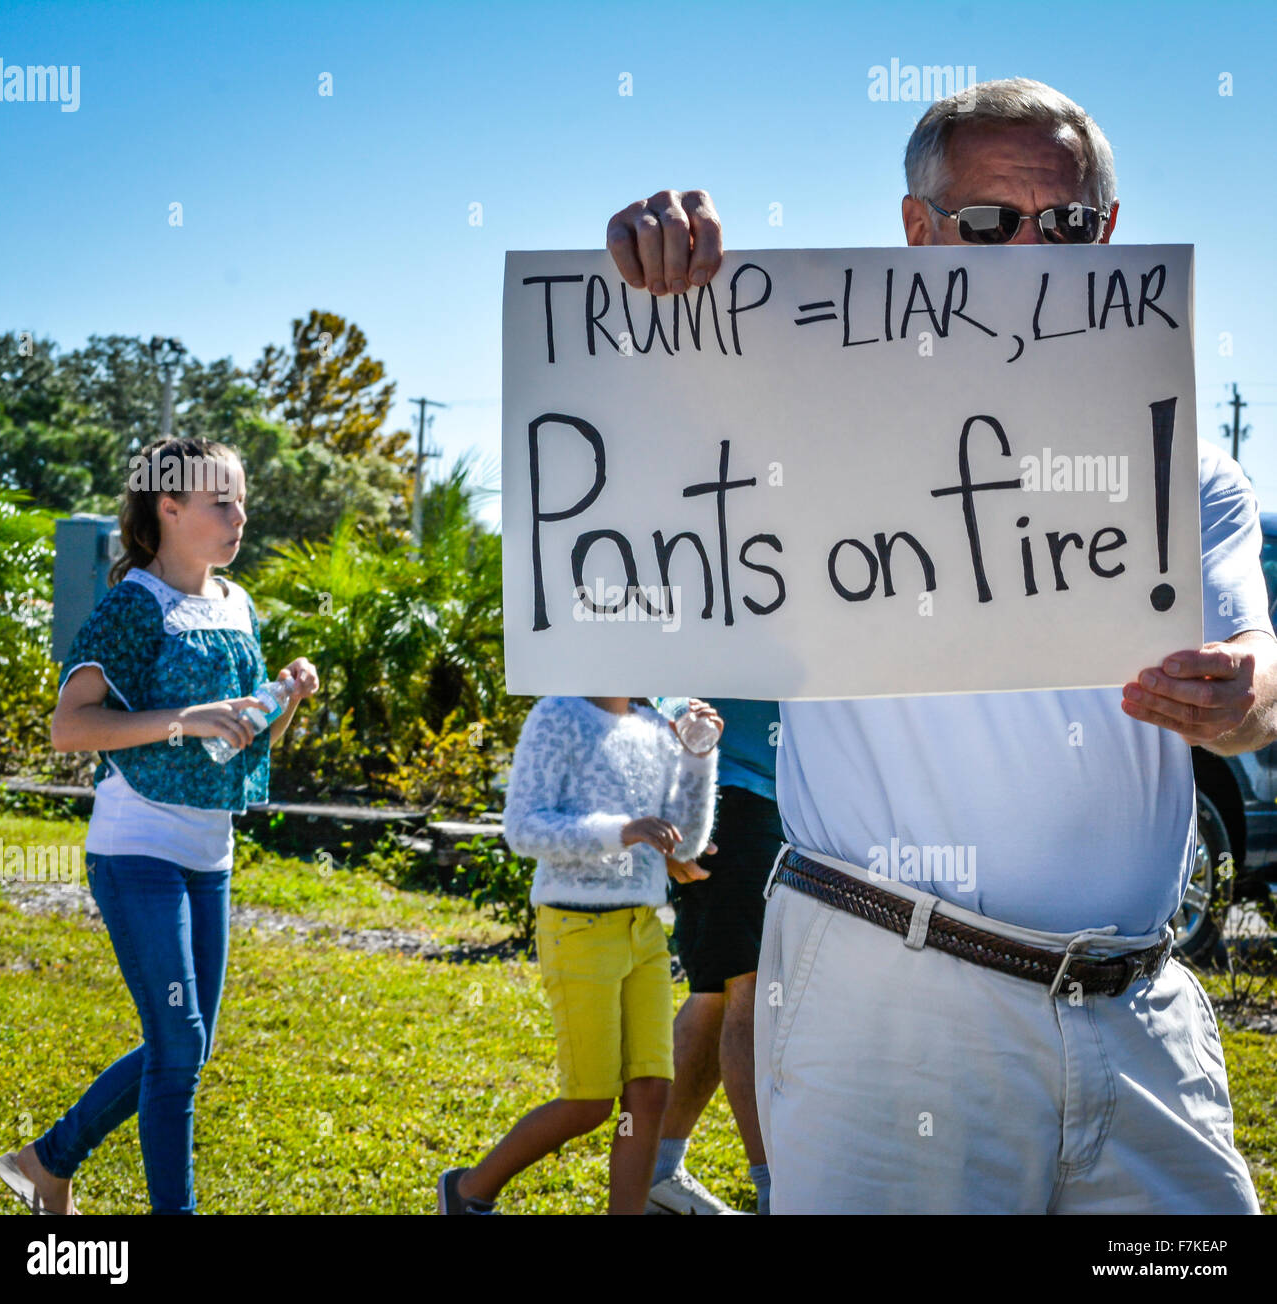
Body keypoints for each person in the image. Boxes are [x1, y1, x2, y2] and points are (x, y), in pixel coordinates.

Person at [604, 78, 1276, 1213]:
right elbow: (664, 432)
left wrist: (1249, 691)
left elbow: (1254, 666)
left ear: (1105, 232)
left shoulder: (1184, 462)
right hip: (895, 1011)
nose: (1025, 253)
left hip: (1140, 1009)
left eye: (1060, 224)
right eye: (985, 223)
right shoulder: (810, 422)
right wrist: (658, 290)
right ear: (916, 231)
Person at [0, 436, 319, 1215]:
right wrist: (183, 719)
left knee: (186, 1049)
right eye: (222, 501)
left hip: (212, 855)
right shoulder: (134, 605)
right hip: (136, 849)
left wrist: (283, 700)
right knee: (178, 1050)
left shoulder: (235, 604)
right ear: (168, 508)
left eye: (241, 500)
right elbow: (70, 729)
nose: (240, 516)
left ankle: (49, 1161)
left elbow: (234, 740)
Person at [438, 694, 721, 1214]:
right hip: (577, 925)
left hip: (644, 929)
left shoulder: (657, 726)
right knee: (590, 1101)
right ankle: (467, 1190)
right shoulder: (557, 716)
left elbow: (683, 847)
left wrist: (700, 758)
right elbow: (524, 828)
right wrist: (622, 830)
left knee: (652, 1091)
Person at [648, 699, 780, 1215]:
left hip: (758, 803)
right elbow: (655, 684)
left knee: (717, 995)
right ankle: (777, 1190)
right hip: (733, 801)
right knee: (748, 990)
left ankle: (653, 1175)